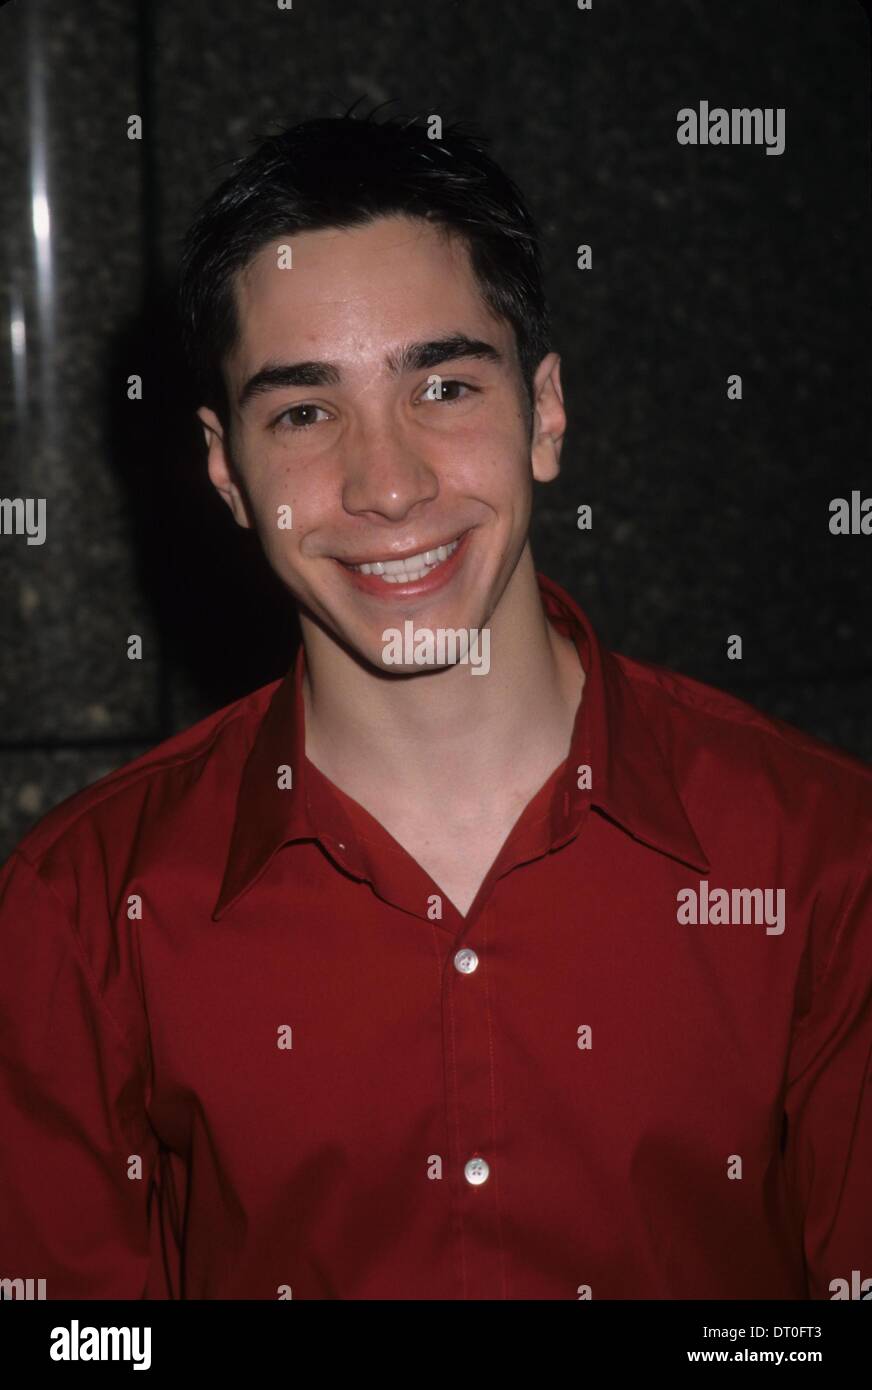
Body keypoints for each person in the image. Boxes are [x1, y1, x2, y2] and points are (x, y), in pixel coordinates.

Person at [1, 109, 870, 1301]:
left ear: (545, 413)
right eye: (304, 412)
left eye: (445, 385)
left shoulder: (825, 859)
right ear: (224, 470)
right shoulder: (77, 912)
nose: (389, 483)